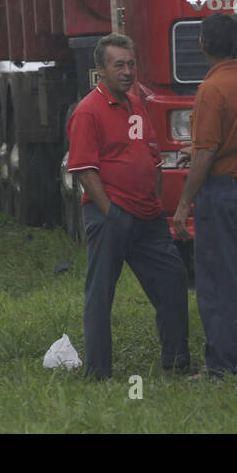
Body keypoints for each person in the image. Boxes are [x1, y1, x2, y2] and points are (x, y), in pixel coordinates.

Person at [65, 33, 190, 379]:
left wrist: (155, 201)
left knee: (174, 279)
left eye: (131, 64)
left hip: (147, 216)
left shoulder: (137, 104)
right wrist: (111, 213)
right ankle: (98, 371)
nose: (127, 71)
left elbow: (152, 157)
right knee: (101, 293)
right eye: (118, 65)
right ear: (100, 70)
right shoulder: (88, 111)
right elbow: (85, 170)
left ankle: (176, 361)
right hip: (111, 216)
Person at [172, 13, 237, 377]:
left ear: (202, 45)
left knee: (217, 284)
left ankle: (222, 367)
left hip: (219, 194)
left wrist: (184, 203)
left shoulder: (211, 90)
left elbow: (207, 152)